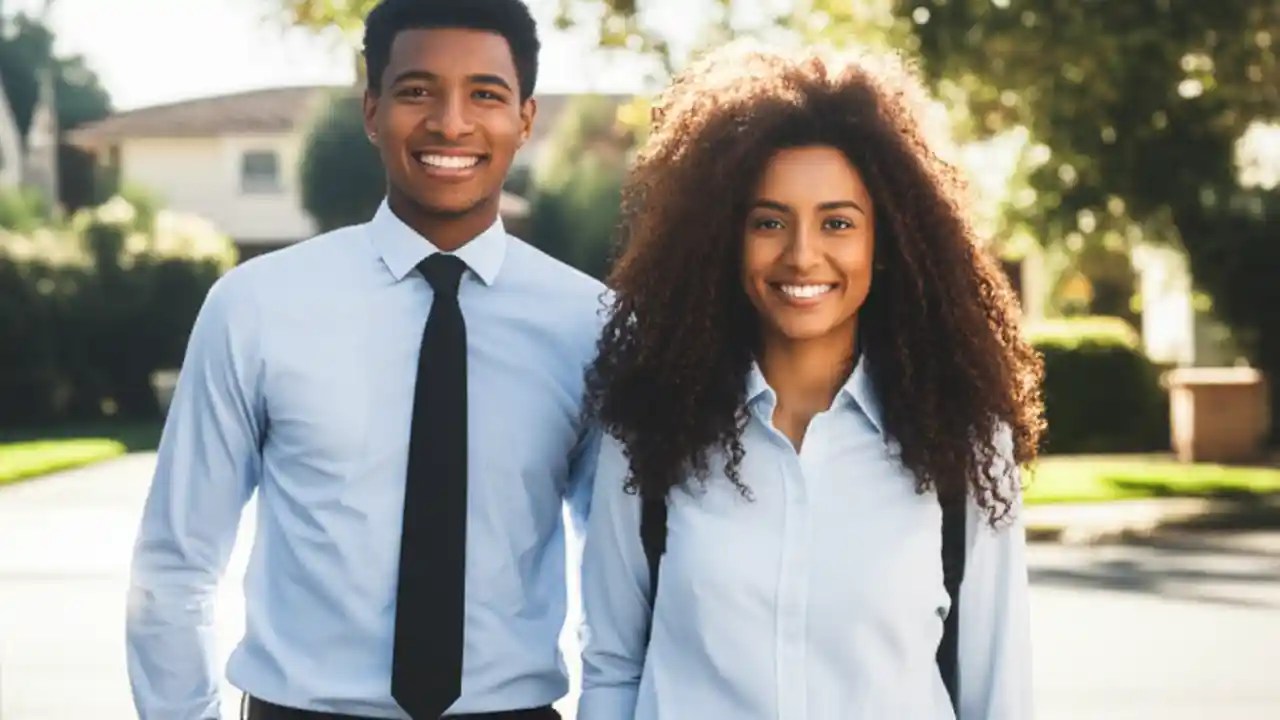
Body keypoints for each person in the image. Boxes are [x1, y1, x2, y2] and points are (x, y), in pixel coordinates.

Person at [126, 0, 604, 718]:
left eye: (485, 93)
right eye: (417, 91)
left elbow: (622, 580)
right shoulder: (257, 307)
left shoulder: (594, 326)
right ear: (372, 111)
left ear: (526, 119)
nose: (450, 121)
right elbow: (174, 565)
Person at [577, 42, 1045, 720]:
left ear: (887, 242)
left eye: (837, 223)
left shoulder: (961, 441)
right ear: (722, 238)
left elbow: (997, 692)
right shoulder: (650, 427)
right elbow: (613, 668)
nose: (802, 254)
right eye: (768, 222)